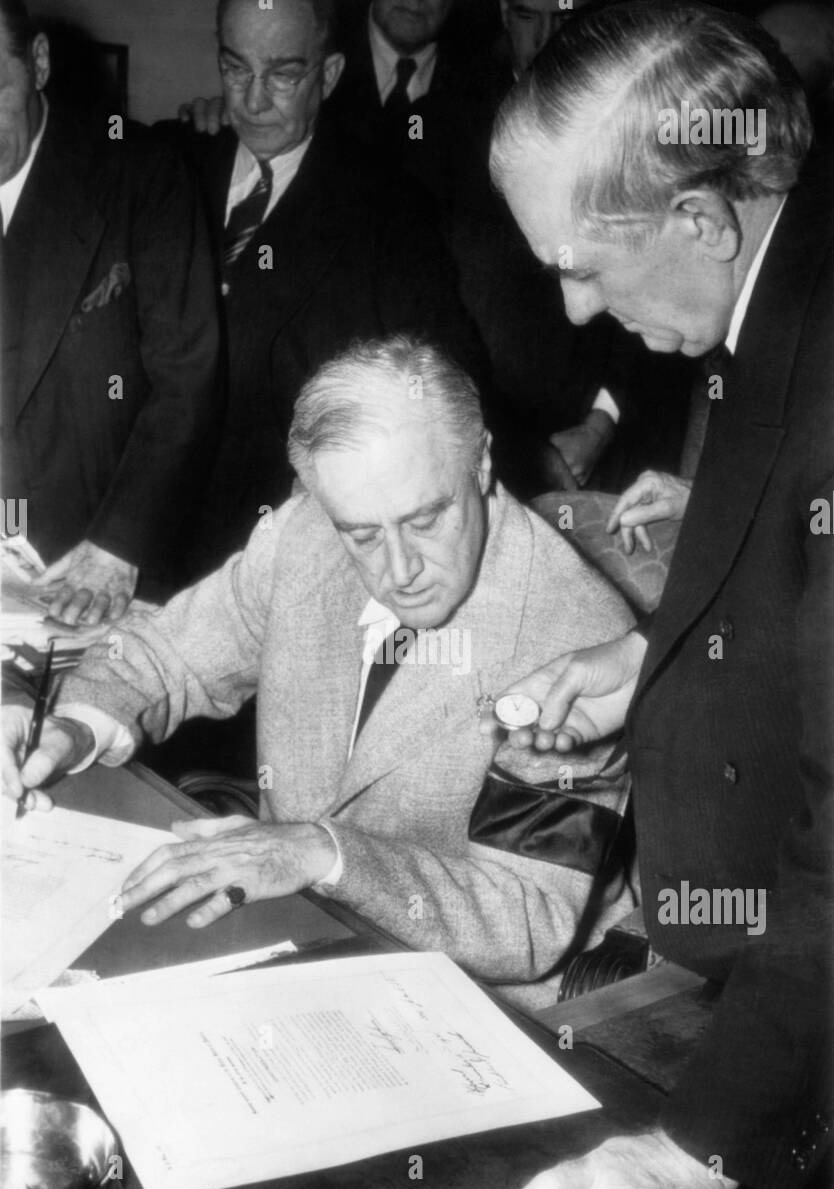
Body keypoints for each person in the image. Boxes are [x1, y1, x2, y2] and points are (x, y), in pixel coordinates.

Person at [485, 2, 833, 1189]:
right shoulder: (767, 283)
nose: (571, 307)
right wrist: (653, 663)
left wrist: (697, 1147)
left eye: (580, 262)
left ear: (697, 220)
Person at [2, 338, 638, 1003]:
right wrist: (73, 727)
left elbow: (525, 918)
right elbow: (172, 652)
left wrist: (323, 852)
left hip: (474, 996)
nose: (400, 570)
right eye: (363, 534)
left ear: (479, 463)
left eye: (425, 519)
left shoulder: (580, 637)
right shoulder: (305, 532)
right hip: (291, 931)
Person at [160, 0, 483, 571]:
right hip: (137, 538)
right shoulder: (170, 162)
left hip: (286, 553)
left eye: (283, 75)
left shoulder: (388, 211)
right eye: (236, 69)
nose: (253, 101)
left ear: (329, 76)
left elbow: (444, 383)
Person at [0, 0, 219, 622]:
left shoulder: (141, 173)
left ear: (38, 63)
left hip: (93, 574)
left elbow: (188, 380)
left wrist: (118, 543)